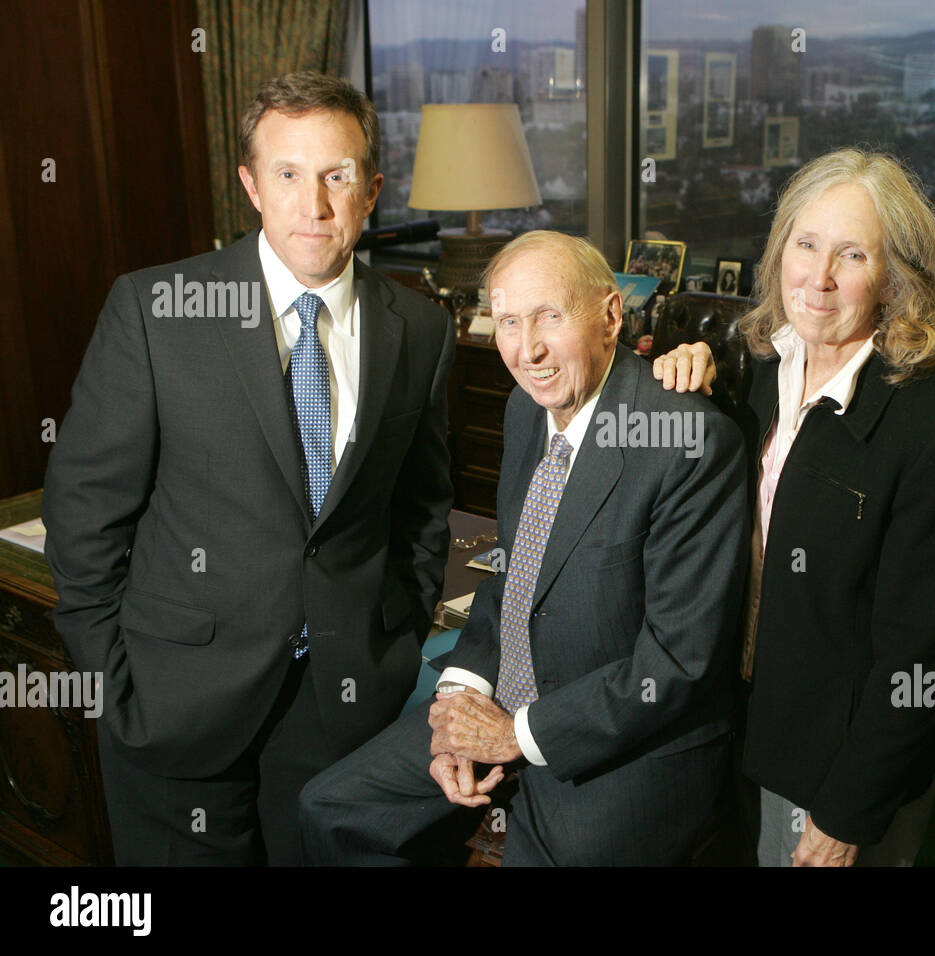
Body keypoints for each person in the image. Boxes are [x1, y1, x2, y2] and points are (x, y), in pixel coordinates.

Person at [42, 72, 456, 865]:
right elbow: (84, 517)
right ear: (250, 186)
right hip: (173, 709)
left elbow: (423, 509)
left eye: (337, 176)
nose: (315, 205)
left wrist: (392, 641)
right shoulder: (154, 309)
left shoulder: (420, 329)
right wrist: (114, 687)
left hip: (340, 711)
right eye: (288, 174)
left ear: (371, 190)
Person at [298, 231, 749, 866]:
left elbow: (678, 665)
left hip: (624, 750)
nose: (527, 348)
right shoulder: (523, 407)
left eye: (549, 316)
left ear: (610, 316)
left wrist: (515, 736)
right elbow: (514, 577)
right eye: (509, 320)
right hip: (504, 698)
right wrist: (460, 707)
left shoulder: (686, 441)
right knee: (333, 808)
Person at [656, 148, 935, 866]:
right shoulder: (763, 369)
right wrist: (693, 374)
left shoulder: (933, 427)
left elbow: (923, 654)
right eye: (805, 244)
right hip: (741, 727)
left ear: (897, 277)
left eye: (852, 254)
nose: (819, 275)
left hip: (834, 770)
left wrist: (848, 811)